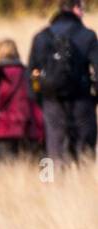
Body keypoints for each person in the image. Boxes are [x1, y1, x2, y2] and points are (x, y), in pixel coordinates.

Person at [28, 0, 98, 163]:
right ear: (76, 9)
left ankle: (53, 183)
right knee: (84, 148)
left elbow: (31, 73)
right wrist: (94, 98)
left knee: (54, 147)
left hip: (51, 101)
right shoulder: (87, 36)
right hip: (82, 100)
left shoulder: (41, 36)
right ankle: (83, 183)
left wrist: (40, 99)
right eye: (83, 9)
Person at [0, 40, 46, 160]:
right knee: (31, 171)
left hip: (2, 131)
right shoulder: (30, 75)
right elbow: (38, 103)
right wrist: (42, 129)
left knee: (6, 171)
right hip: (29, 129)